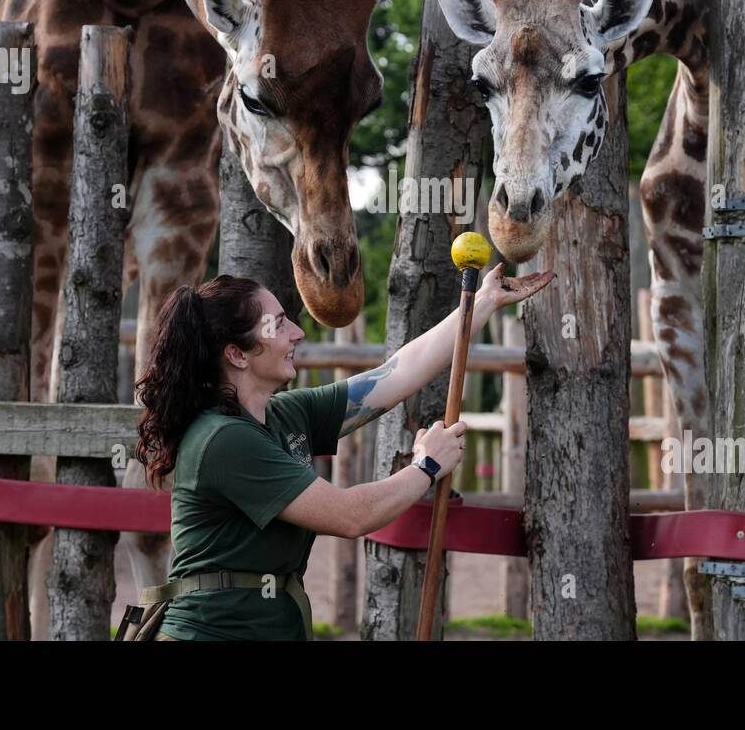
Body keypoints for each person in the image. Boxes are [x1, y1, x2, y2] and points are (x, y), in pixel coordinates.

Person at [133, 263, 554, 640]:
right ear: (237, 354)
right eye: (278, 325)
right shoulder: (222, 439)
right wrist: (425, 465)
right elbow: (349, 516)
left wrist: (481, 303)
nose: (297, 332)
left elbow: (396, 374)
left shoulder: (285, 414)